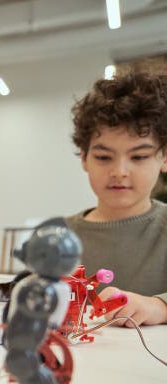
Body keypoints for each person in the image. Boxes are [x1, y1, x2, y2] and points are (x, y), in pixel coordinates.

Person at [66, 70, 167, 327]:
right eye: (103, 157)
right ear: (84, 159)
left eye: (139, 157)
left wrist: (158, 306)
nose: (120, 172)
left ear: (163, 158)